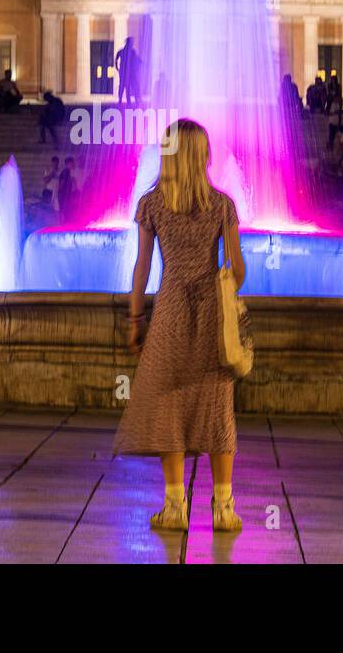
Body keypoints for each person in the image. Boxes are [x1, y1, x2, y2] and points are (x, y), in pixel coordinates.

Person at [114, 119, 246, 532]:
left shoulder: (152, 204)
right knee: (216, 402)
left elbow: (142, 267)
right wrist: (224, 284)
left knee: (166, 403)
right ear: (203, 155)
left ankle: (175, 506)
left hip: (170, 308)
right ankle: (223, 507)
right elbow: (238, 269)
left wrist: (135, 318)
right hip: (211, 311)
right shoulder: (222, 205)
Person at [115, 37, 140, 104]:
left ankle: (128, 100)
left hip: (128, 71)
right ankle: (121, 99)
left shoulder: (131, 52)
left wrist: (117, 67)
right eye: (131, 43)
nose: (132, 44)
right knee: (123, 85)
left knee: (127, 86)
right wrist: (117, 67)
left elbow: (136, 60)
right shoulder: (124, 51)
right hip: (125, 71)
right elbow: (116, 59)